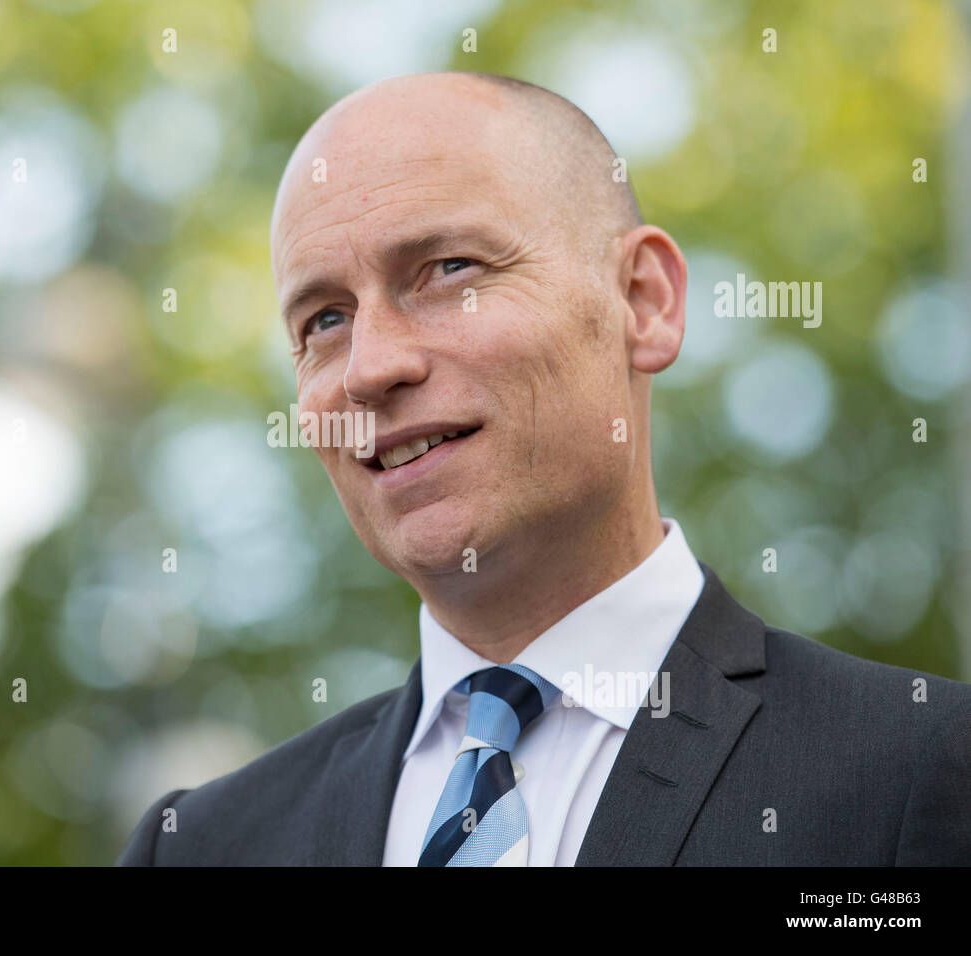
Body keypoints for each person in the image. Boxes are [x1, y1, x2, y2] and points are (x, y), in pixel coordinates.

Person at [117, 71, 971, 866]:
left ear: (644, 302)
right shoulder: (202, 846)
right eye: (324, 319)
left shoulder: (918, 772)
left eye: (450, 270)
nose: (370, 367)